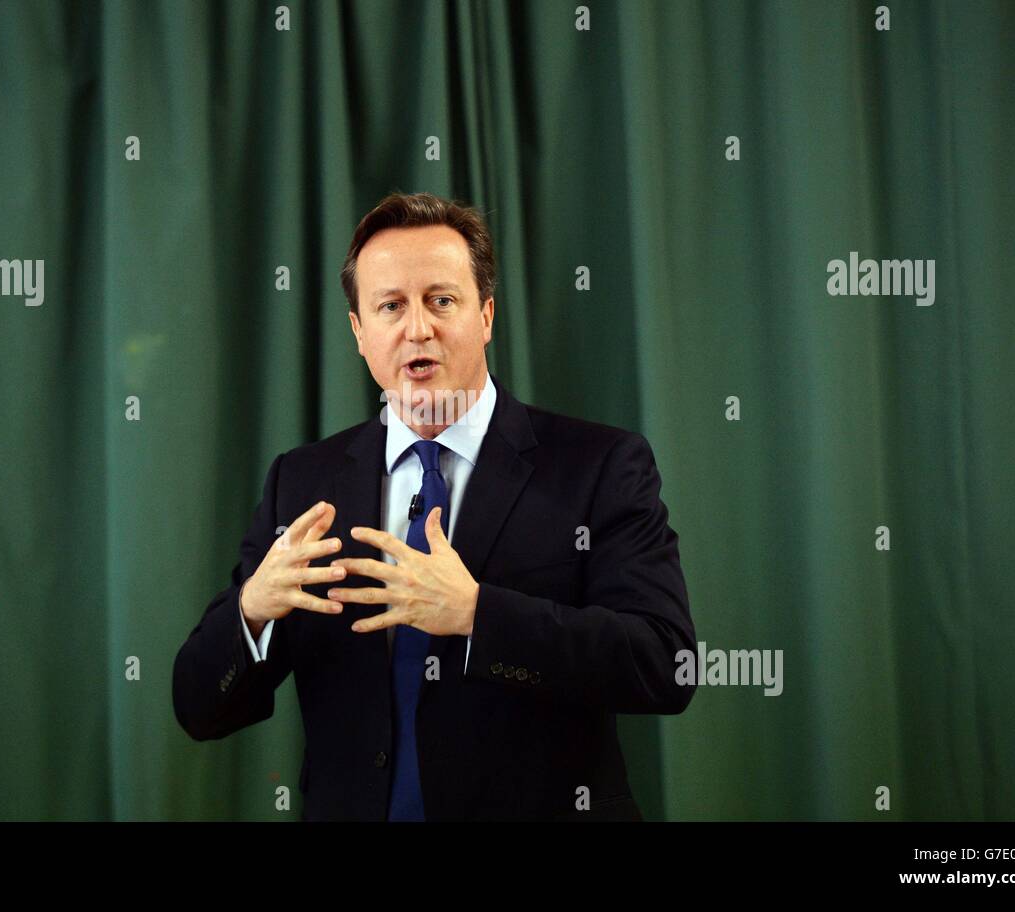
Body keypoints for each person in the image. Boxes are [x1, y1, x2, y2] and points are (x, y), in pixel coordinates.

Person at [172, 191, 697, 821]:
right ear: (359, 332)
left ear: (487, 317)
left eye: (441, 301)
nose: (417, 328)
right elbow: (198, 708)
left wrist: (478, 613)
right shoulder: (302, 482)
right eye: (390, 306)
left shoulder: (599, 465)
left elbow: (666, 664)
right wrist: (252, 610)